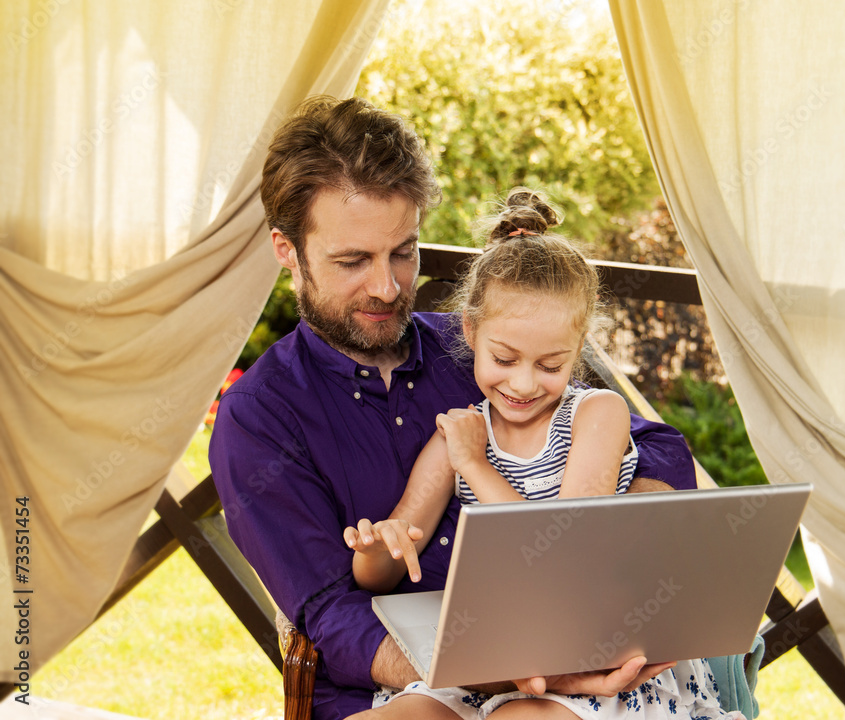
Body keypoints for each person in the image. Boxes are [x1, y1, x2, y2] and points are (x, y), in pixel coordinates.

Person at [209, 96, 699, 720]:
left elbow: (657, 446)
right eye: (353, 261)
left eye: (403, 252)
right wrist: (506, 672)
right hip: (407, 684)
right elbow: (333, 613)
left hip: (574, 664)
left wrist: (598, 565)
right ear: (287, 250)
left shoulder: (487, 352)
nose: (387, 287)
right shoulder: (260, 416)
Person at [342, 189, 744, 720]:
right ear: (470, 331)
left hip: (593, 657)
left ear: (577, 352)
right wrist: (378, 547)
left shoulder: (595, 414)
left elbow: (569, 551)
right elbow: (385, 574)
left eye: (551, 365)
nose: (524, 384)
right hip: (491, 655)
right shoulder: (458, 435)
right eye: (504, 358)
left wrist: (476, 466)